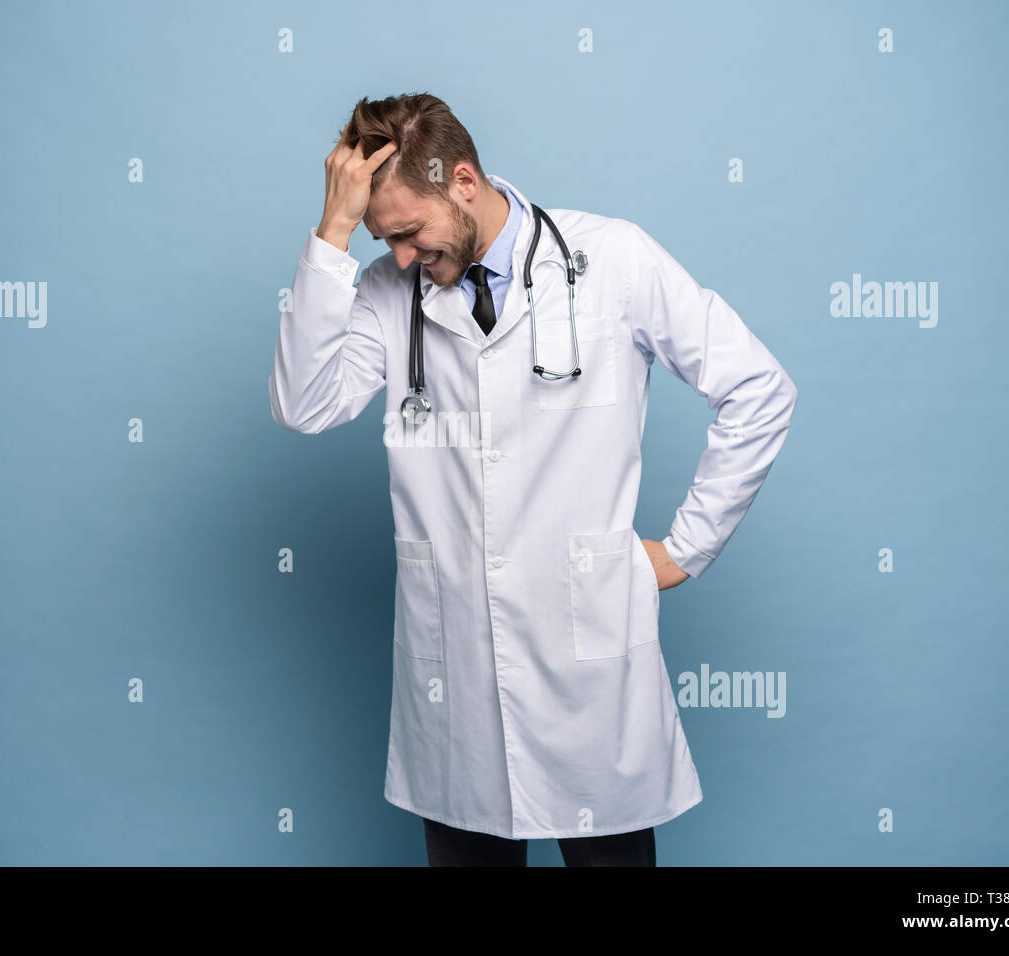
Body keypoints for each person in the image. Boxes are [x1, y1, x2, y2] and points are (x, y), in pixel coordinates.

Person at [269, 93, 798, 866]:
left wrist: (688, 547)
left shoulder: (613, 260)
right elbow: (303, 404)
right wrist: (333, 234)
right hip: (454, 668)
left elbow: (759, 388)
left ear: (464, 182)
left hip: (587, 657)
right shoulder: (388, 290)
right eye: (386, 238)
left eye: (409, 232)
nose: (403, 258)